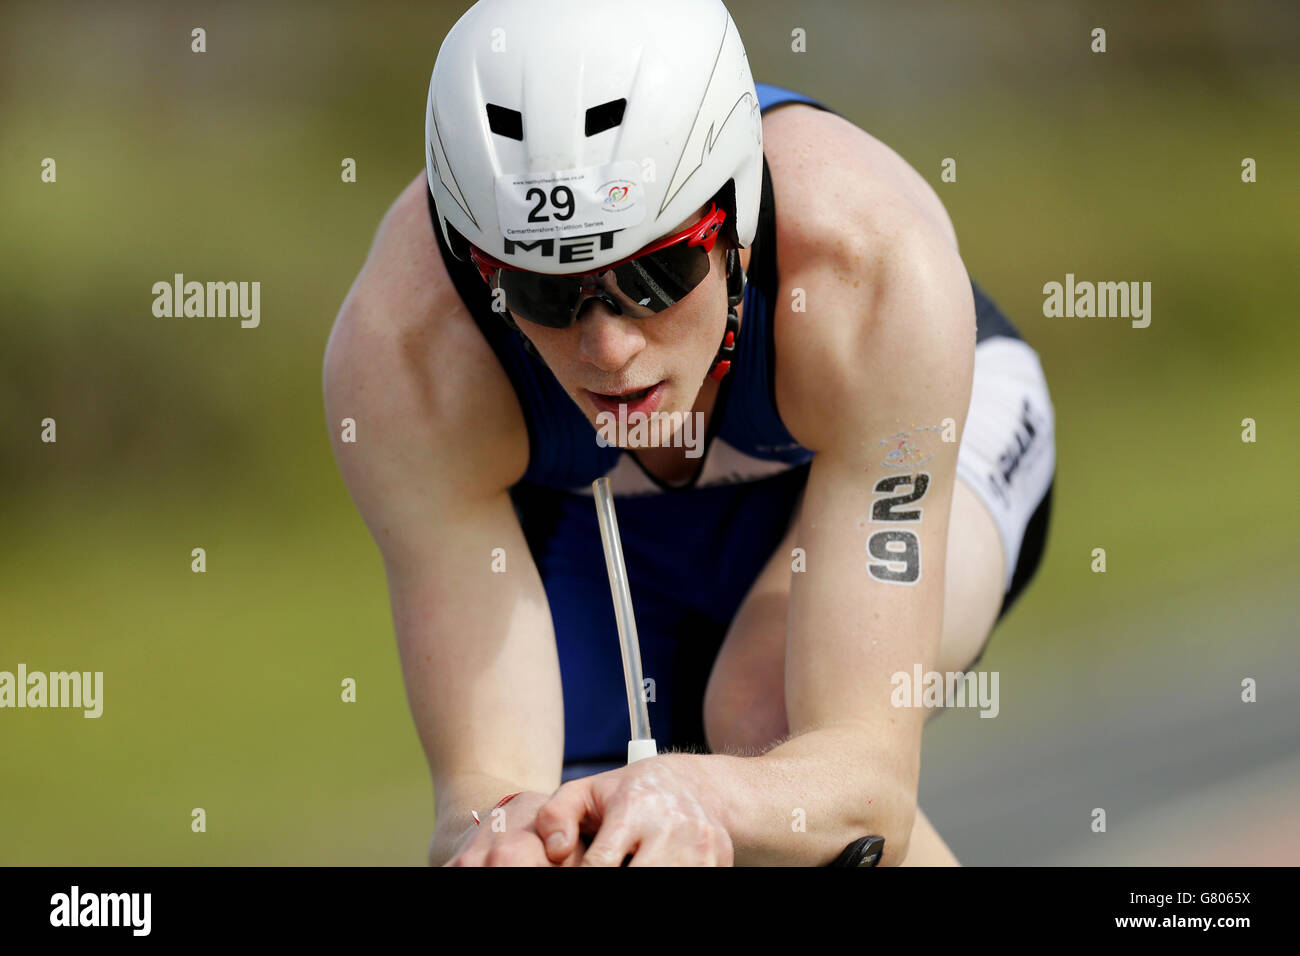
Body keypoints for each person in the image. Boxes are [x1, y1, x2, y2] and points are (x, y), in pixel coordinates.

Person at [323, 0, 1055, 866]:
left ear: (738, 213)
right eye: (544, 292)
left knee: (760, 720)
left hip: (892, 427)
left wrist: (699, 789)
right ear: (476, 263)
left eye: (656, 271)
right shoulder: (406, 351)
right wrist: (502, 837)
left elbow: (867, 791)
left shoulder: (868, 264)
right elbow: (478, 794)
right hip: (603, 506)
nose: (609, 347)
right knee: (560, 826)